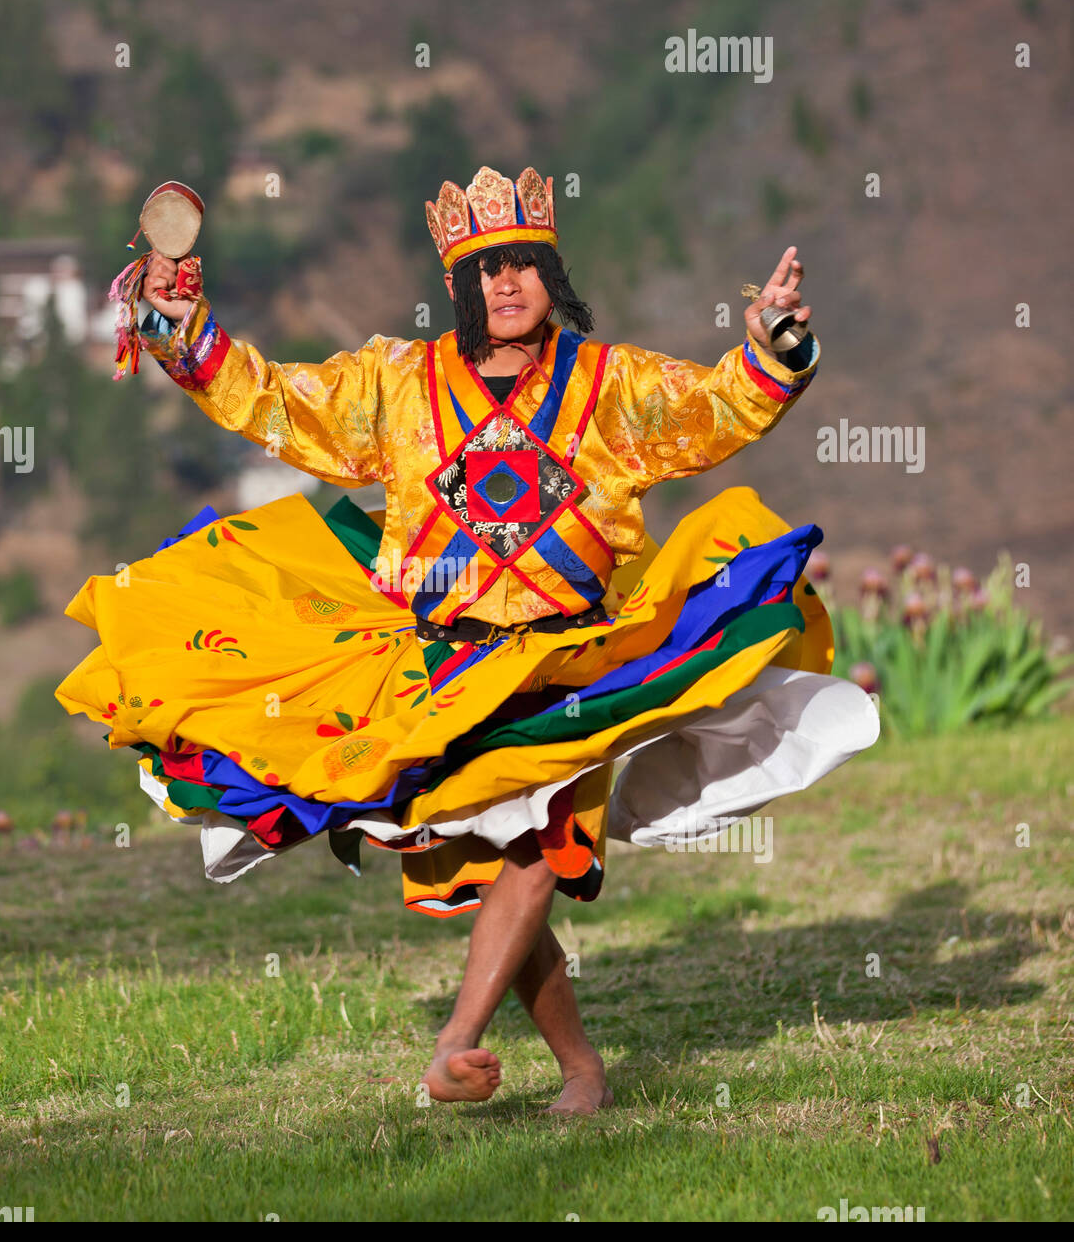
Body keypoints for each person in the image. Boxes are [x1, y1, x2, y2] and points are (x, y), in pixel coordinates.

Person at [56, 165, 879, 1115]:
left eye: (523, 264)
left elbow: (711, 411)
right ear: (461, 282)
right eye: (486, 269)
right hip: (442, 663)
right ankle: (582, 1072)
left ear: (549, 274)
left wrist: (777, 346)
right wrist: (183, 331)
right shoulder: (398, 384)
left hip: (571, 660)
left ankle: (455, 1046)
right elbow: (280, 401)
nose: (505, 283)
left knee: (533, 847)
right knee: (491, 864)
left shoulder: (611, 385)